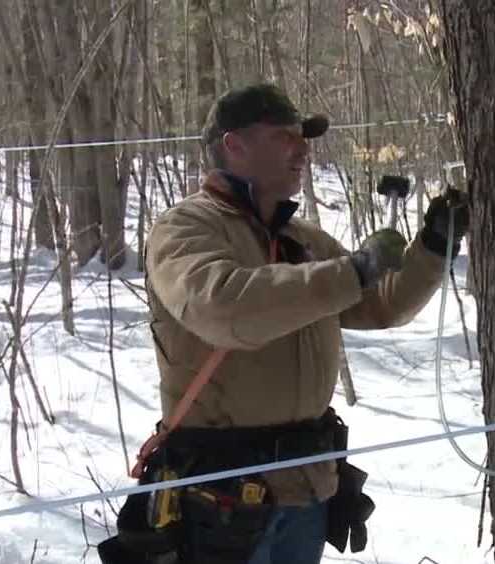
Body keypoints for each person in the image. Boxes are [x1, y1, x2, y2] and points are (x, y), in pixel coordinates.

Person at [140, 83, 467, 564]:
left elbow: (380, 305)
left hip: (306, 486)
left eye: (303, 137)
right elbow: (224, 309)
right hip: (219, 495)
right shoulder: (185, 229)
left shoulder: (303, 238)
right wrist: (352, 271)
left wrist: (433, 247)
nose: (303, 149)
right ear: (234, 145)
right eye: (284, 136)